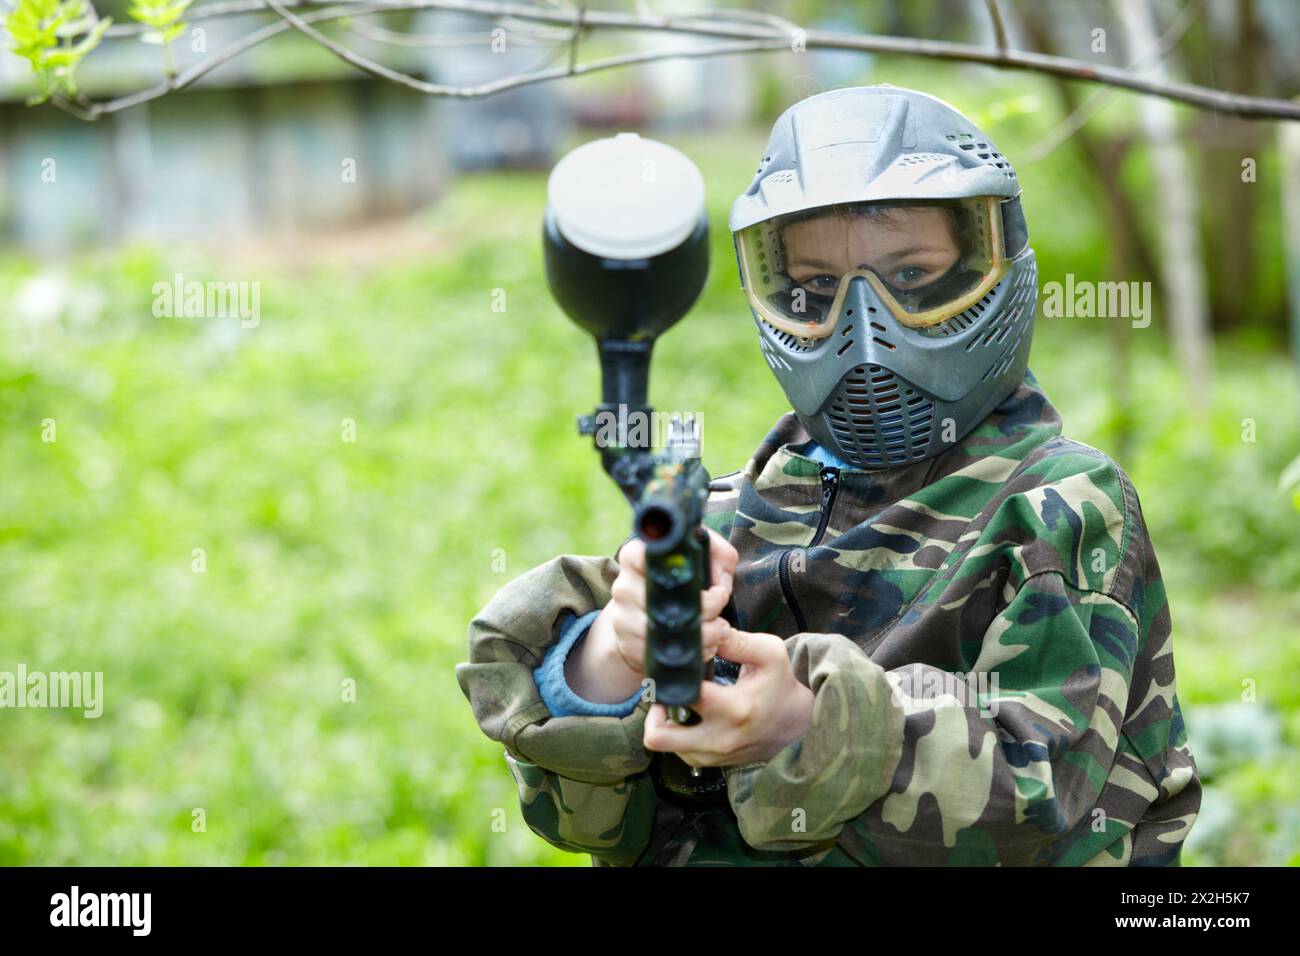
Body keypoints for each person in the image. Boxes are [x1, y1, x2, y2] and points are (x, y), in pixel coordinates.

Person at [456, 85, 1201, 866]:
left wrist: (808, 726)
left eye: (912, 279)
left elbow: (1040, 791)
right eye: (815, 290)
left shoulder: (1058, 507)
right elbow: (590, 826)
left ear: (995, 265)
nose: (863, 328)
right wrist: (616, 653)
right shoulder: (716, 524)